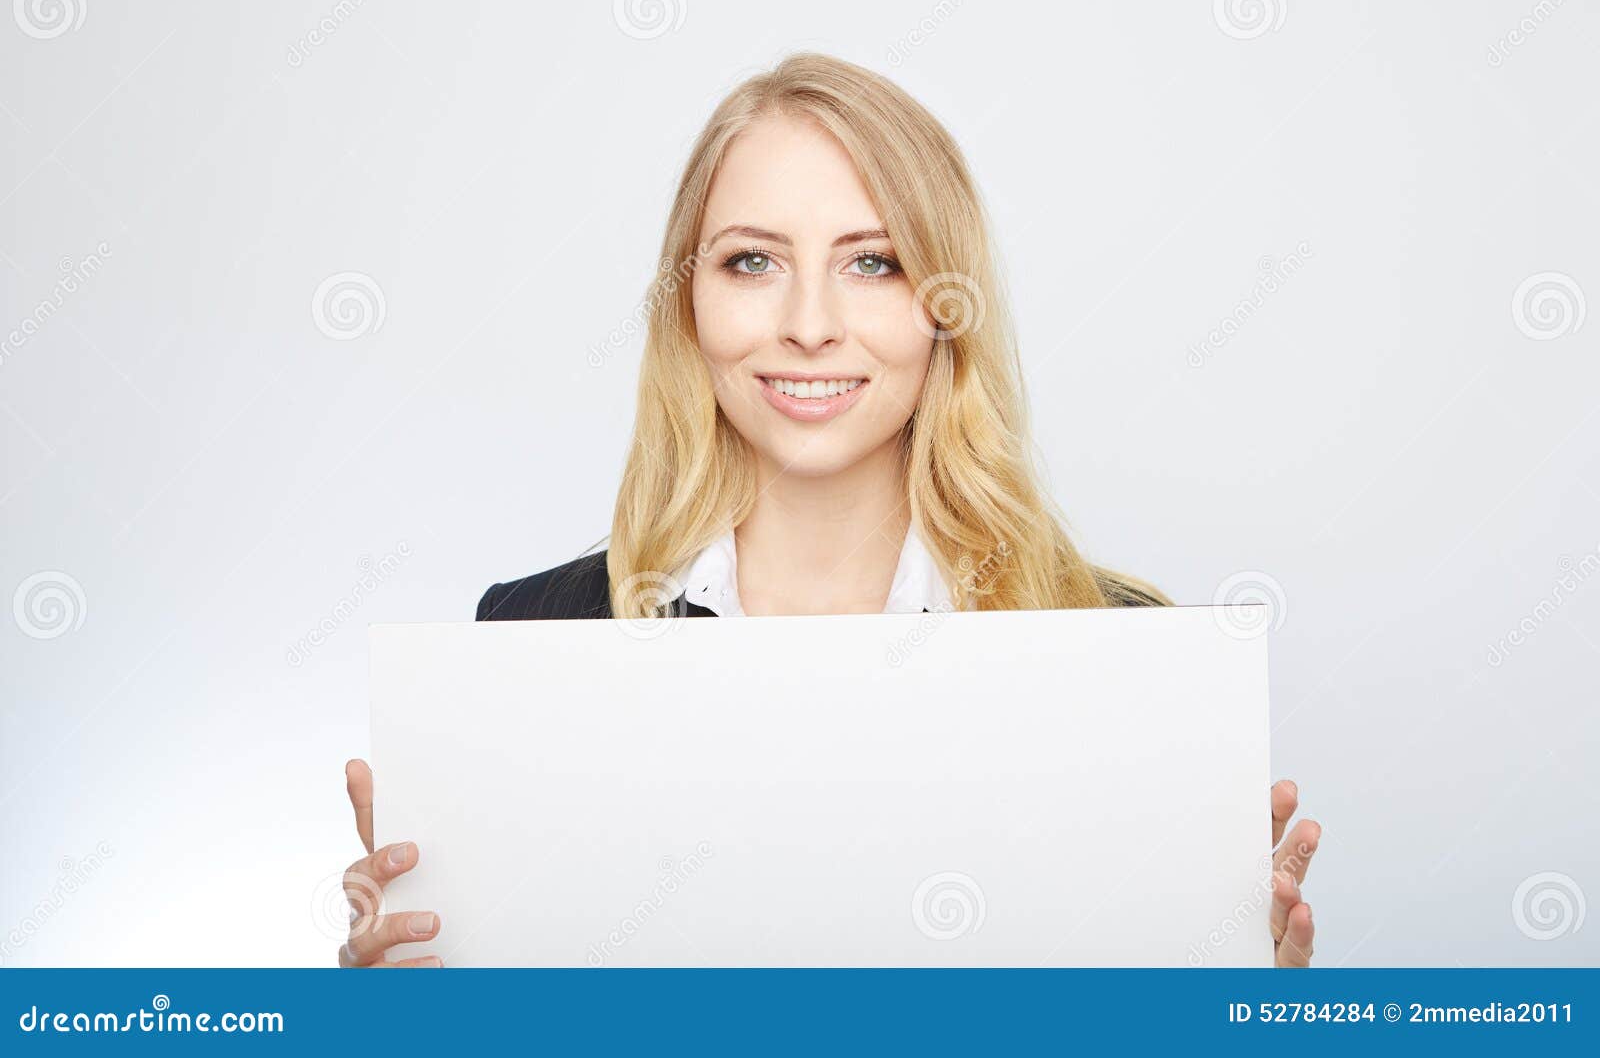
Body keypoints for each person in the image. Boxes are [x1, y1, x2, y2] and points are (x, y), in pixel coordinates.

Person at [337, 53, 1320, 967]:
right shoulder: (524, 640)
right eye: (752, 262)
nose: (808, 326)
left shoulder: (1127, 658)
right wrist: (394, 1011)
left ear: (945, 305)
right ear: (688, 303)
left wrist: (1242, 998)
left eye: (873, 262)